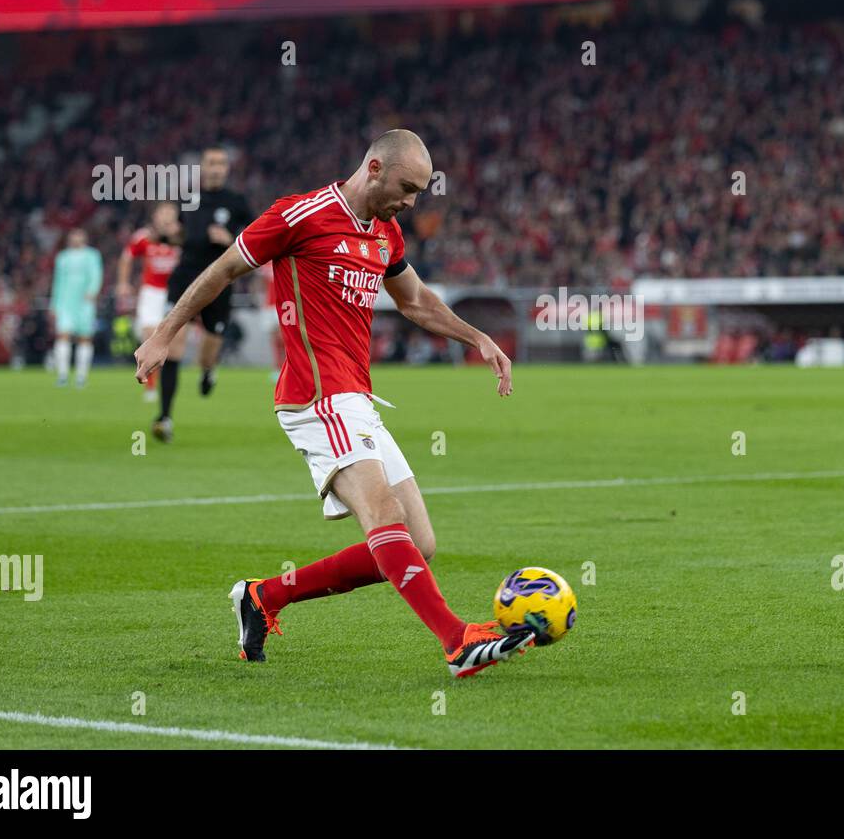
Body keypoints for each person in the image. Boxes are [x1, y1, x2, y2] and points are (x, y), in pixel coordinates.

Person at [133, 129, 534, 677]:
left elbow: (414, 300)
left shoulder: (385, 233)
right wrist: (163, 333)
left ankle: (263, 596)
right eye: (407, 187)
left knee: (419, 542)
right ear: (374, 167)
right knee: (386, 518)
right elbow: (225, 268)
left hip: (357, 397)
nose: (412, 202)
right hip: (316, 396)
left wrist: (477, 337)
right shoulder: (301, 215)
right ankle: (455, 640)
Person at [154, 146, 253, 441]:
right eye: (211, 163)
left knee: (208, 352)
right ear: (202, 167)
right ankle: (164, 417)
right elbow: (177, 235)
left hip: (219, 282)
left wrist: (232, 239)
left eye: (222, 163)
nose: (217, 168)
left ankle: (208, 371)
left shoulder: (236, 202)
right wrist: (168, 232)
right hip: (184, 277)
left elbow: (259, 236)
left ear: (227, 169)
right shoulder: (187, 200)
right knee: (173, 346)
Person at [116, 201, 181, 402]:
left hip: (176, 293)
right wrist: (123, 283)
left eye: (171, 212)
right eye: (163, 212)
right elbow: (127, 257)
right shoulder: (143, 237)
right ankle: (150, 385)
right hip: (151, 292)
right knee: (148, 335)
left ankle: (167, 384)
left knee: (173, 342)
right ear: (155, 215)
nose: (167, 216)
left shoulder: (182, 236)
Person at [49, 228, 103, 388]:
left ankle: (81, 376)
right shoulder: (62, 257)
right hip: (65, 302)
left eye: (79, 235)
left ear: (84, 237)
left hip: (85, 302)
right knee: (62, 335)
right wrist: (54, 304)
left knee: (85, 337)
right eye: (73, 235)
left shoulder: (92, 255)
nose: (76, 238)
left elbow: (96, 275)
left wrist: (93, 291)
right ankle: (63, 375)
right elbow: (57, 281)